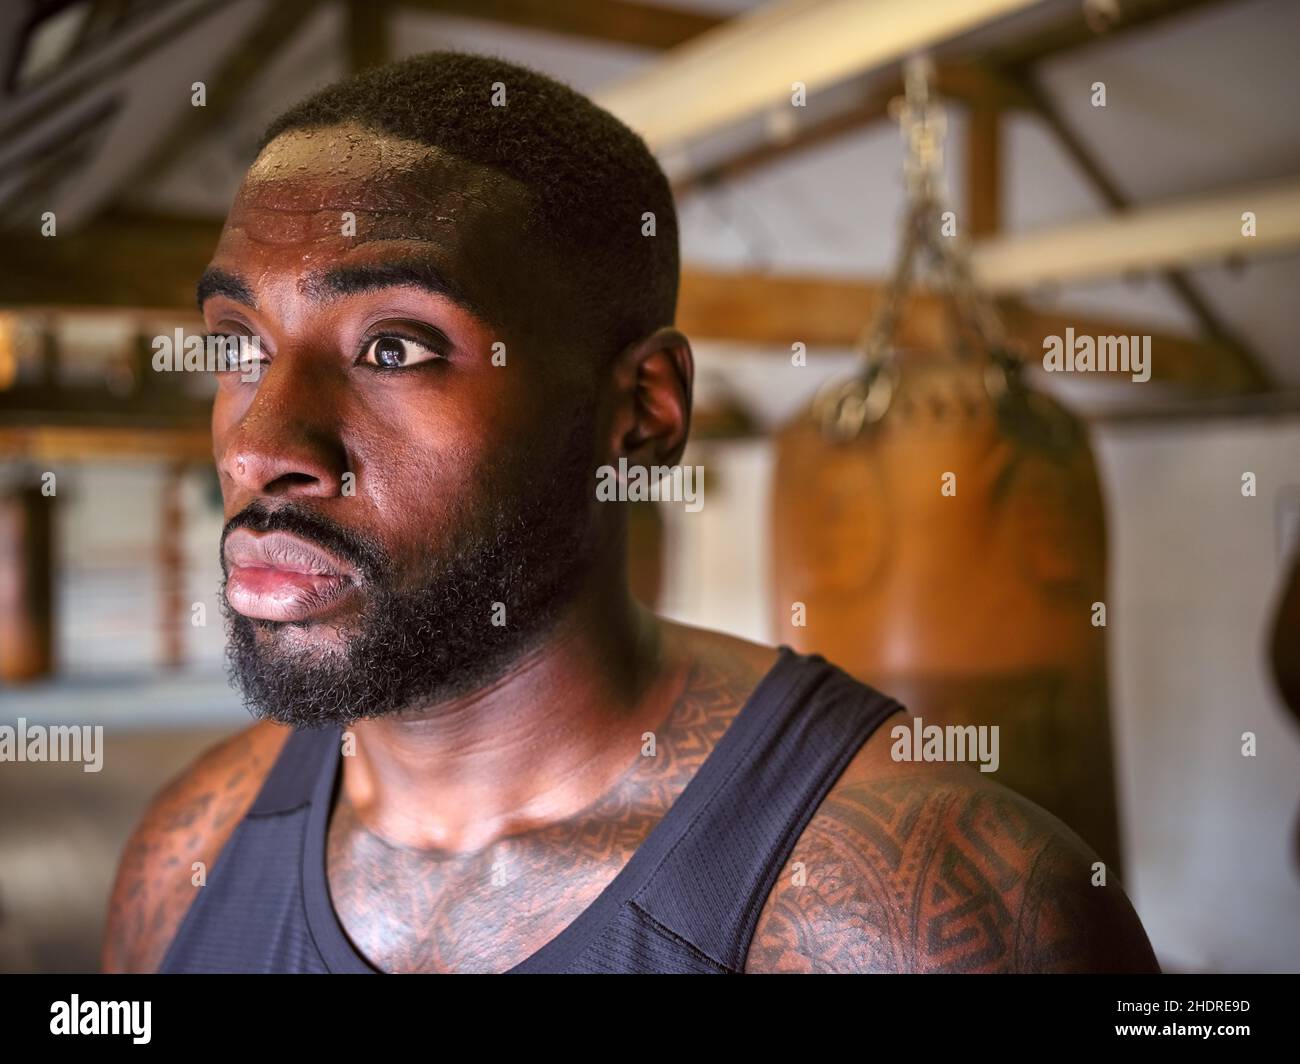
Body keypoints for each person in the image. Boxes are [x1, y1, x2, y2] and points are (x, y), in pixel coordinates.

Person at [101, 50, 1158, 974]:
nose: (258, 447)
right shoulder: (185, 856)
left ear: (643, 410)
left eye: (394, 347)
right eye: (239, 344)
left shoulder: (928, 916)